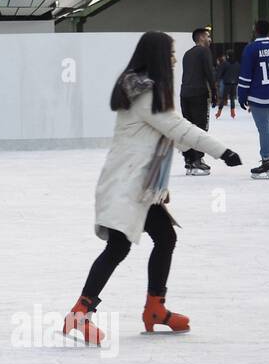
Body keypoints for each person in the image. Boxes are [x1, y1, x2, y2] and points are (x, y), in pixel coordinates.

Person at [62, 32, 242, 345]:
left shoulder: (144, 89)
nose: (174, 57)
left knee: (165, 237)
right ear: (159, 55)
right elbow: (178, 128)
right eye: (171, 52)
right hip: (127, 186)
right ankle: (78, 315)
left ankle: (155, 308)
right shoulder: (146, 94)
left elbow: (169, 135)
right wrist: (222, 151)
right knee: (118, 247)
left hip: (141, 186)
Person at [237, 20, 269, 179]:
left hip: (259, 95)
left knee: (264, 128)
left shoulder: (251, 49)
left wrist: (242, 95)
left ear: (255, 30)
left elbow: (245, 76)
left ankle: (266, 162)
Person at [180, 27, 216, 174]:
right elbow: (209, 72)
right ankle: (198, 160)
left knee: (188, 128)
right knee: (200, 128)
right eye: (208, 36)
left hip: (185, 94)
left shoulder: (187, 54)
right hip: (198, 94)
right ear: (201, 38)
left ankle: (189, 160)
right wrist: (214, 93)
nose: (210, 39)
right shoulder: (204, 51)